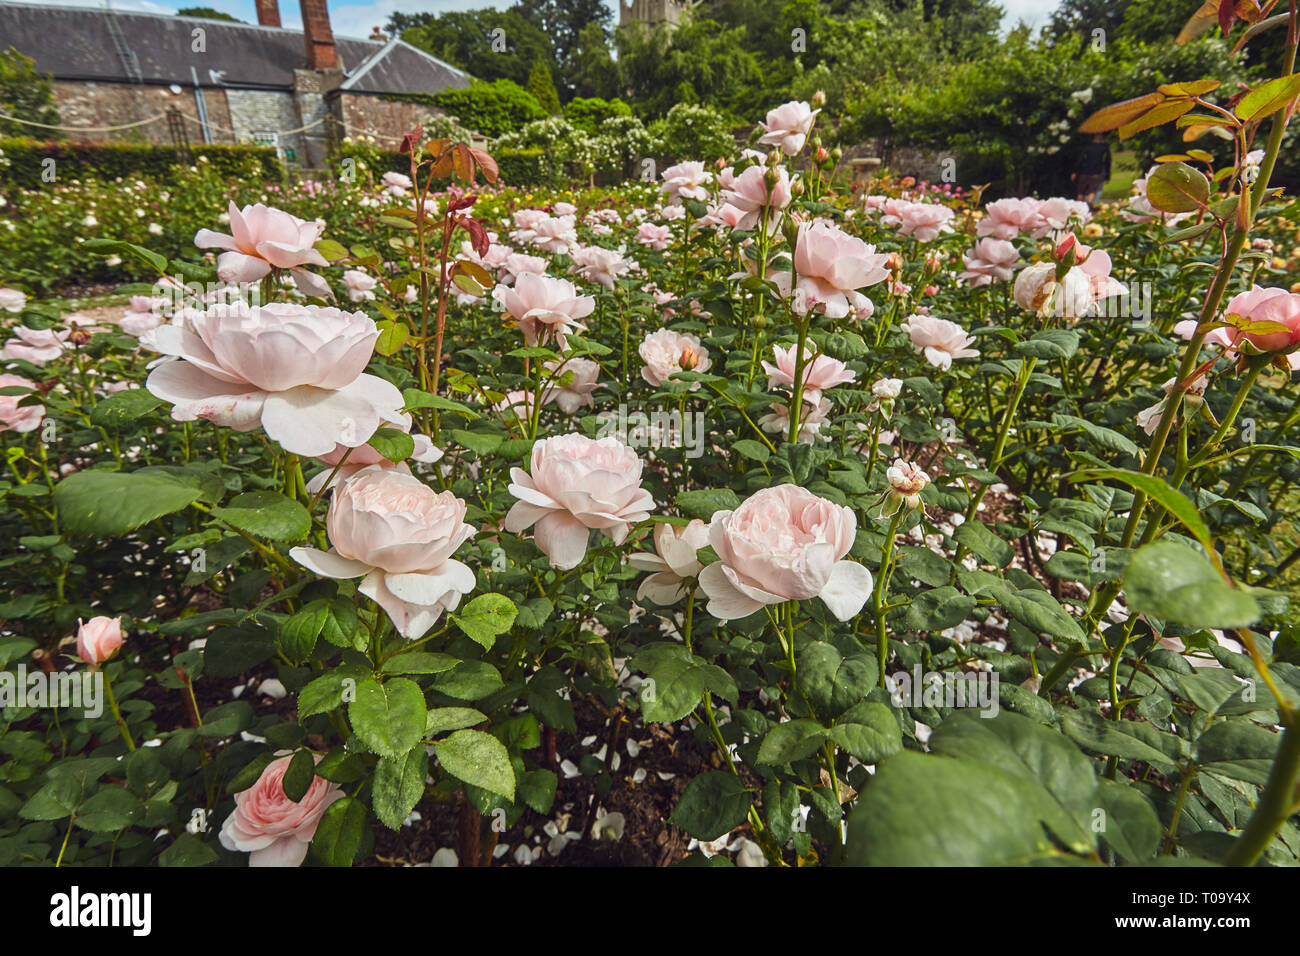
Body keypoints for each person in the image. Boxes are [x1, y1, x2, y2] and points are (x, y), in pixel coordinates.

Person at [1072, 134, 1111, 207]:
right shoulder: (1104, 149)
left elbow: (1080, 160)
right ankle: (1089, 205)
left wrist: (1075, 172)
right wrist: (1107, 176)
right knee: (1092, 191)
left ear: (1093, 140)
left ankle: (1079, 207)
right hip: (1096, 173)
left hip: (1084, 172)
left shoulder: (1087, 148)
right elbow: (1107, 162)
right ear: (1101, 140)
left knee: (1081, 192)